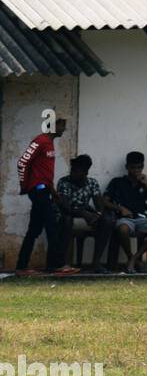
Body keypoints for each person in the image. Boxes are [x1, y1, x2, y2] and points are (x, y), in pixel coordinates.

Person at [15, 114, 78, 275]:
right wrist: (25, 186)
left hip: (44, 190)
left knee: (34, 230)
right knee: (52, 226)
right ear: (54, 125)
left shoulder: (49, 143)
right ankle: (58, 265)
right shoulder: (40, 140)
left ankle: (21, 267)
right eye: (62, 125)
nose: (64, 129)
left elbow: (44, 173)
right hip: (38, 191)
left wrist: (53, 192)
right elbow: (22, 162)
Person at [103, 152, 147, 274]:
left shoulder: (143, 185)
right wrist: (120, 208)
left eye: (139, 167)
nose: (136, 170)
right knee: (123, 229)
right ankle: (133, 259)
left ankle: (134, 258)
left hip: (141, 218)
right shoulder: (117, 182)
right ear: (127, 167)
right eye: (133, 167)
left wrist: (146, 185)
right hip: (124, 219)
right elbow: (104, 201)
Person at [56, 154, 115, 274]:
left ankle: (96, 263)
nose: (73, 173)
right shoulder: (64, 182)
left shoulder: (92, 183)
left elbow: (99, 205)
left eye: (77, 171)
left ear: (85, 172)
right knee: (66, 220)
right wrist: (84, 214)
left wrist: (97, 215)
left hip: (85, 213)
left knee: (108, 220)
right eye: (72, 170)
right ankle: (63, 263)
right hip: (68, 214)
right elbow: (65, 206)